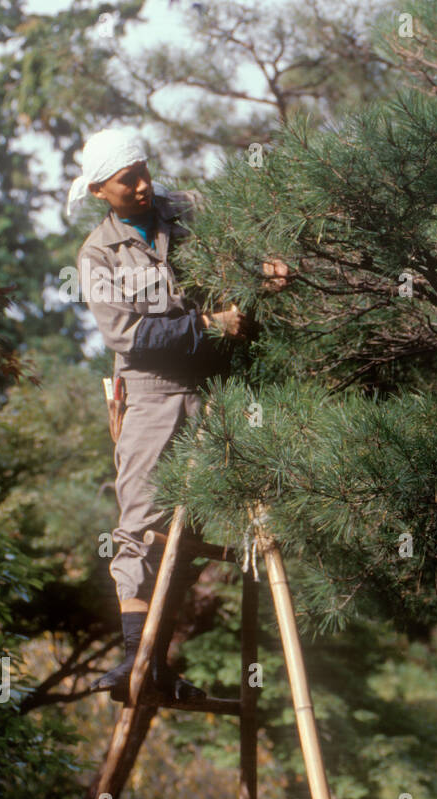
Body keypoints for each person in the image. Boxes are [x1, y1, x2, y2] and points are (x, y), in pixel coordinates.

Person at [68, 127, 289, 703]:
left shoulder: (188, 211)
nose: (143, 185)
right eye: (127, 180)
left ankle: (156, 661)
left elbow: (244, 240)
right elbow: (129, 336)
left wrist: (267, 268)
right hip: (153, 394)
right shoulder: (98, 253)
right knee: (141, 523)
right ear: (99, 191)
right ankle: (138, 660)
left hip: (222, 387)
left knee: (199, 530)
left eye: (144, 170)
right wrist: (209, 325)